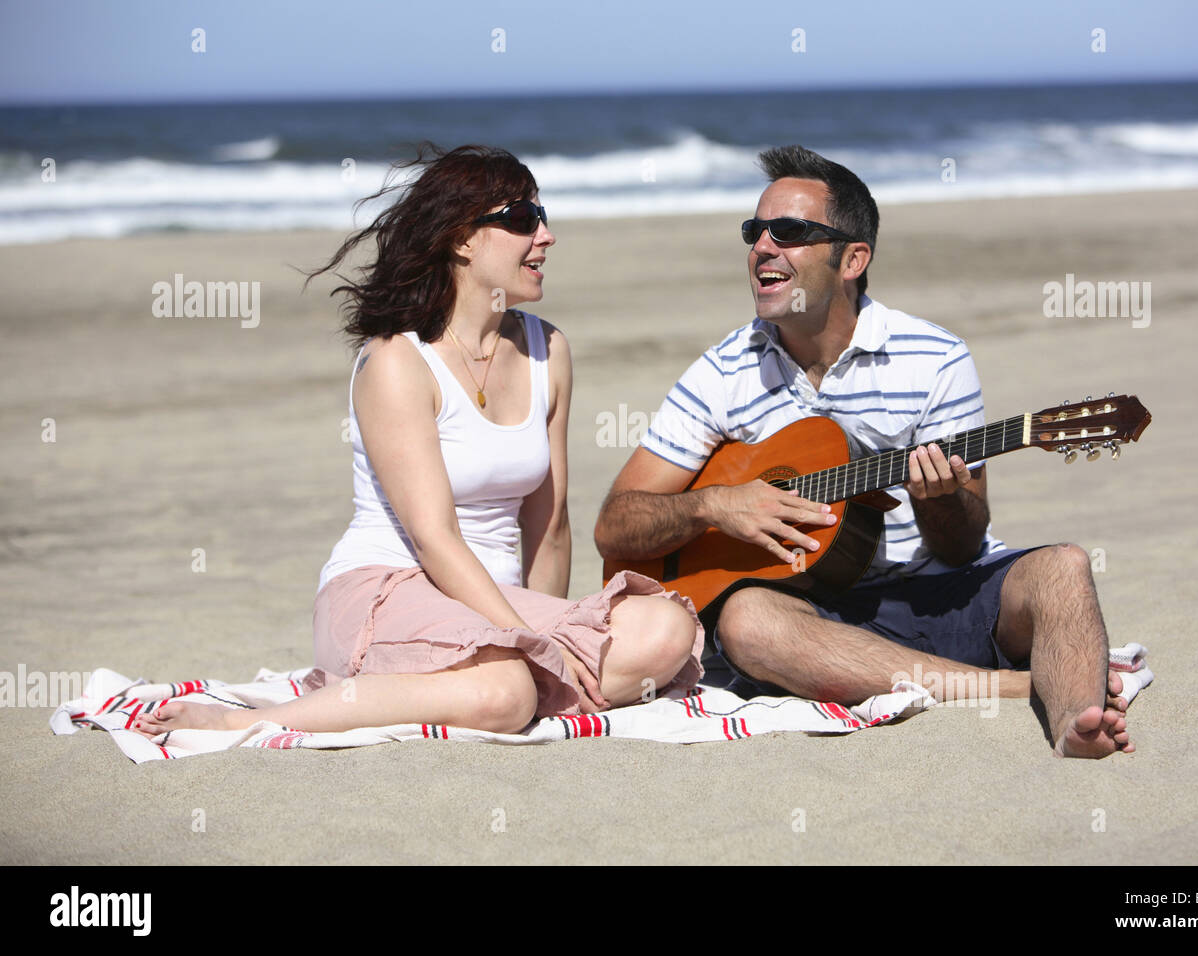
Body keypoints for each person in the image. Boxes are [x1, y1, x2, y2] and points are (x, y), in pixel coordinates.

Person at [136, 143, 703, 739]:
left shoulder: (548, 350)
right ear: (461, 239)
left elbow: (550, 525)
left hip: (495, 599)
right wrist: (534, 646)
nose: (546, 236)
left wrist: (554, 640)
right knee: (505, 691)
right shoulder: (397, 360)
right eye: (521, 219)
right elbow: (434, 539)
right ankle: (244, 720)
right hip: (388, 587)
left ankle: (507, 686)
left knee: (665, 630)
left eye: (542, 216)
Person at [593, 144, 1133, 758]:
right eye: (754, 231)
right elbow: (615, 527)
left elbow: (961, 548)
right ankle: (1012, 686)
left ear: (853, 259)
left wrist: (938, 500)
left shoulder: (935, 358)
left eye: (789, 232)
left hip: (942, 594)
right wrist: (714, 505)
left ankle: (1077, 724)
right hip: (811, 617)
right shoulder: (723, 371)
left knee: (1063, 566)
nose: (762, 247)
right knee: (745, 622)